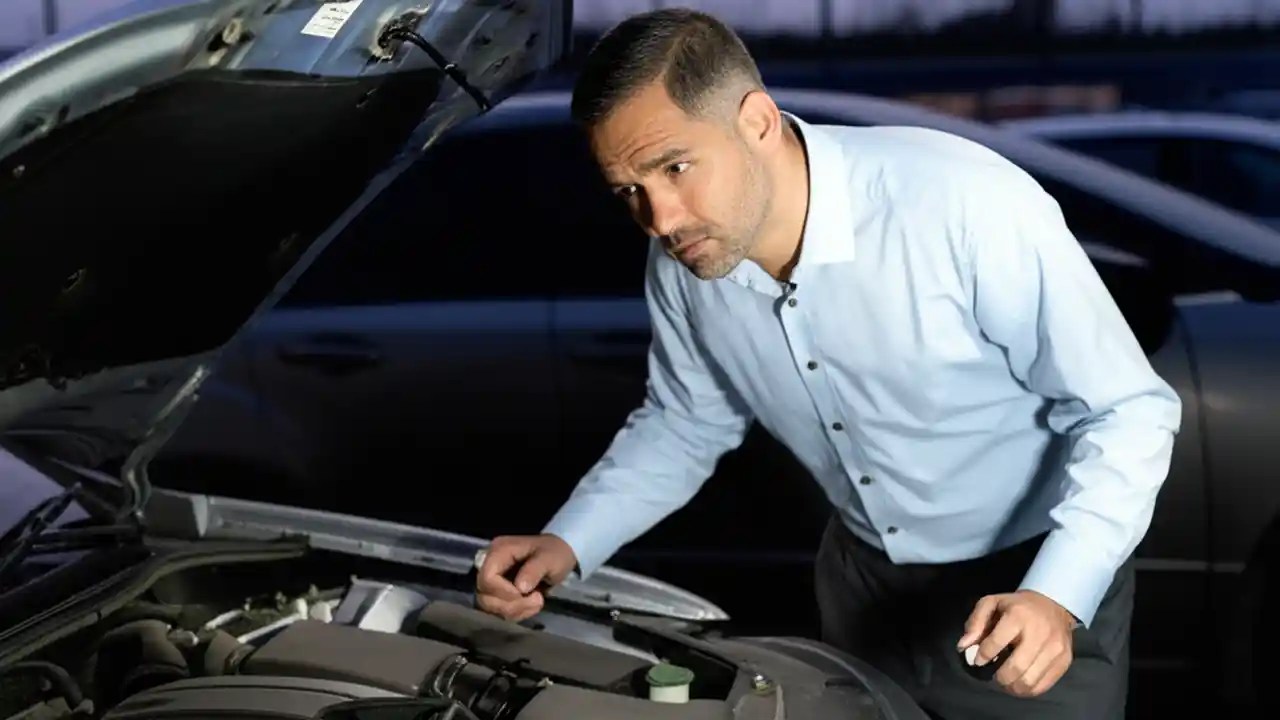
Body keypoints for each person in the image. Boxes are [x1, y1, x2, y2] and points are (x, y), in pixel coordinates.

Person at [474, 7, 1182, 719]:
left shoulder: (961, 203)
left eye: (676, 168)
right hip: (859, 589)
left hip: (1028, 589)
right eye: (629, 191)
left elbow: (1127, 410)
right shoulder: (684, 261)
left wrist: (1060, 590)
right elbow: (685, 423)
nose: (660, 219)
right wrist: (568, 540)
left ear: (757, 120)